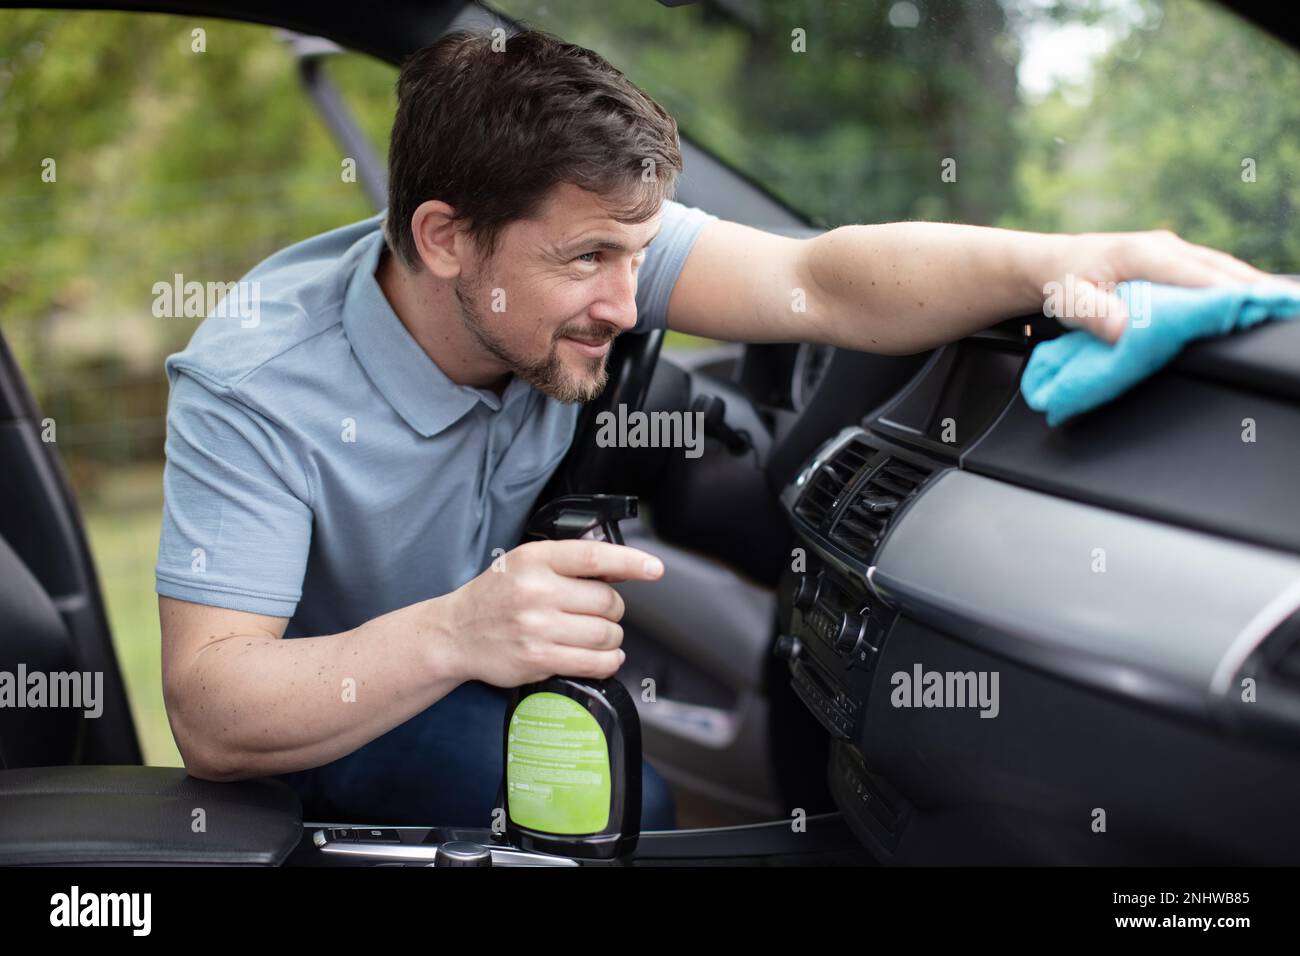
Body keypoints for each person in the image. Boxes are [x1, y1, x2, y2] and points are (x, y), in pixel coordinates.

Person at [156, 28, 1285, 831]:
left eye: (638, 255)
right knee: (620, 800)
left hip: (470, 657)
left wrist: (1053, 259)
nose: (628, 301)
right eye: (587, 260)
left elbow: (824, 281)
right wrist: (458, 631)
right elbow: (212, 706)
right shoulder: (257, 386)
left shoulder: (572, 233)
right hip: (325, 721)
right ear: (446, 237)